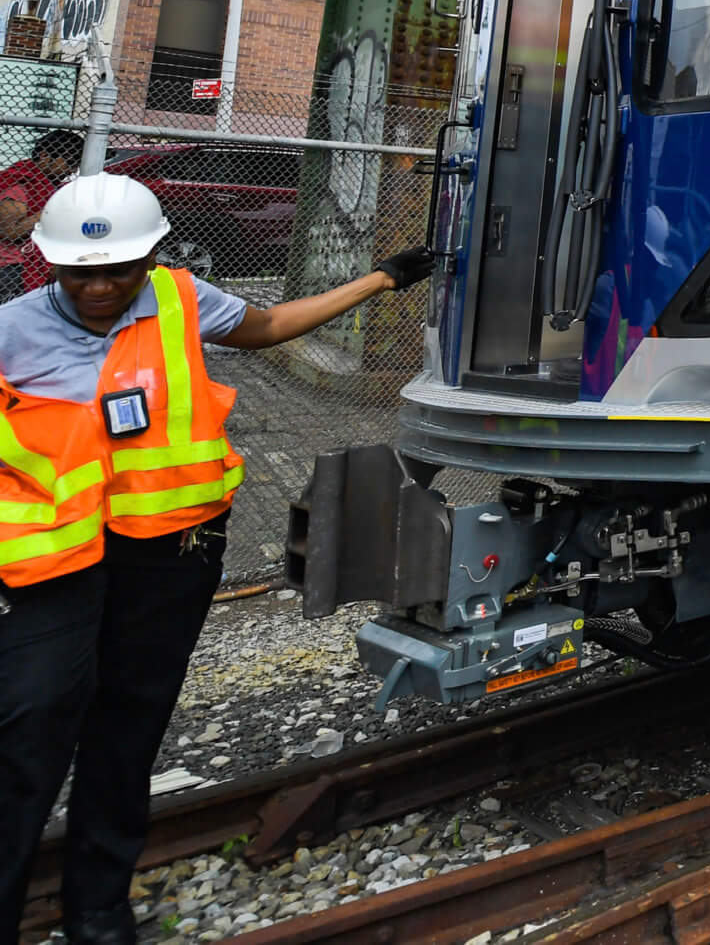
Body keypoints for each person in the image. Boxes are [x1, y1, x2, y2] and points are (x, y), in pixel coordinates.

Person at [0, 171, 434, 945]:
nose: (99, 286)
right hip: (55, 564)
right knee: (30, 727)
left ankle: (98, 904)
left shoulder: (179, 298)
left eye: (118, 269)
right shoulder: (13, 328)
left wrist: (380, 279)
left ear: (151, 256)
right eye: (79, 271)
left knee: (130, 725)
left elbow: (266, 326)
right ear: (49, 263)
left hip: (170, 554)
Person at [0, 129, 81, 300]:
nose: (72, 170)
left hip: (37, 265)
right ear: (45, 156)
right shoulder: (20, 185)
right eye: (70, 162)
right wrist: (53, 209)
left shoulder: (51, 188)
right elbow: (10, 232)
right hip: (12, 268)